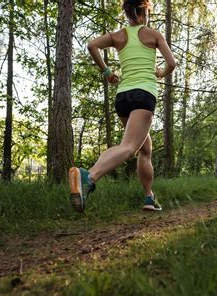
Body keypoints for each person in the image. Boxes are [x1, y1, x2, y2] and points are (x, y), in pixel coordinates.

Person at [69, 0, 176, 213]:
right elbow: (171, 63)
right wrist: (160, 73)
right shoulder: (153, 34)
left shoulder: (118, 36)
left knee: (145, 148)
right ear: (145, 11)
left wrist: (108, 72)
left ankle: (149, 197)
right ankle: (88, 176)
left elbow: (92, 46)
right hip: (143, 95)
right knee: (129, 147)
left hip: (123, 97)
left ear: (127, 13)